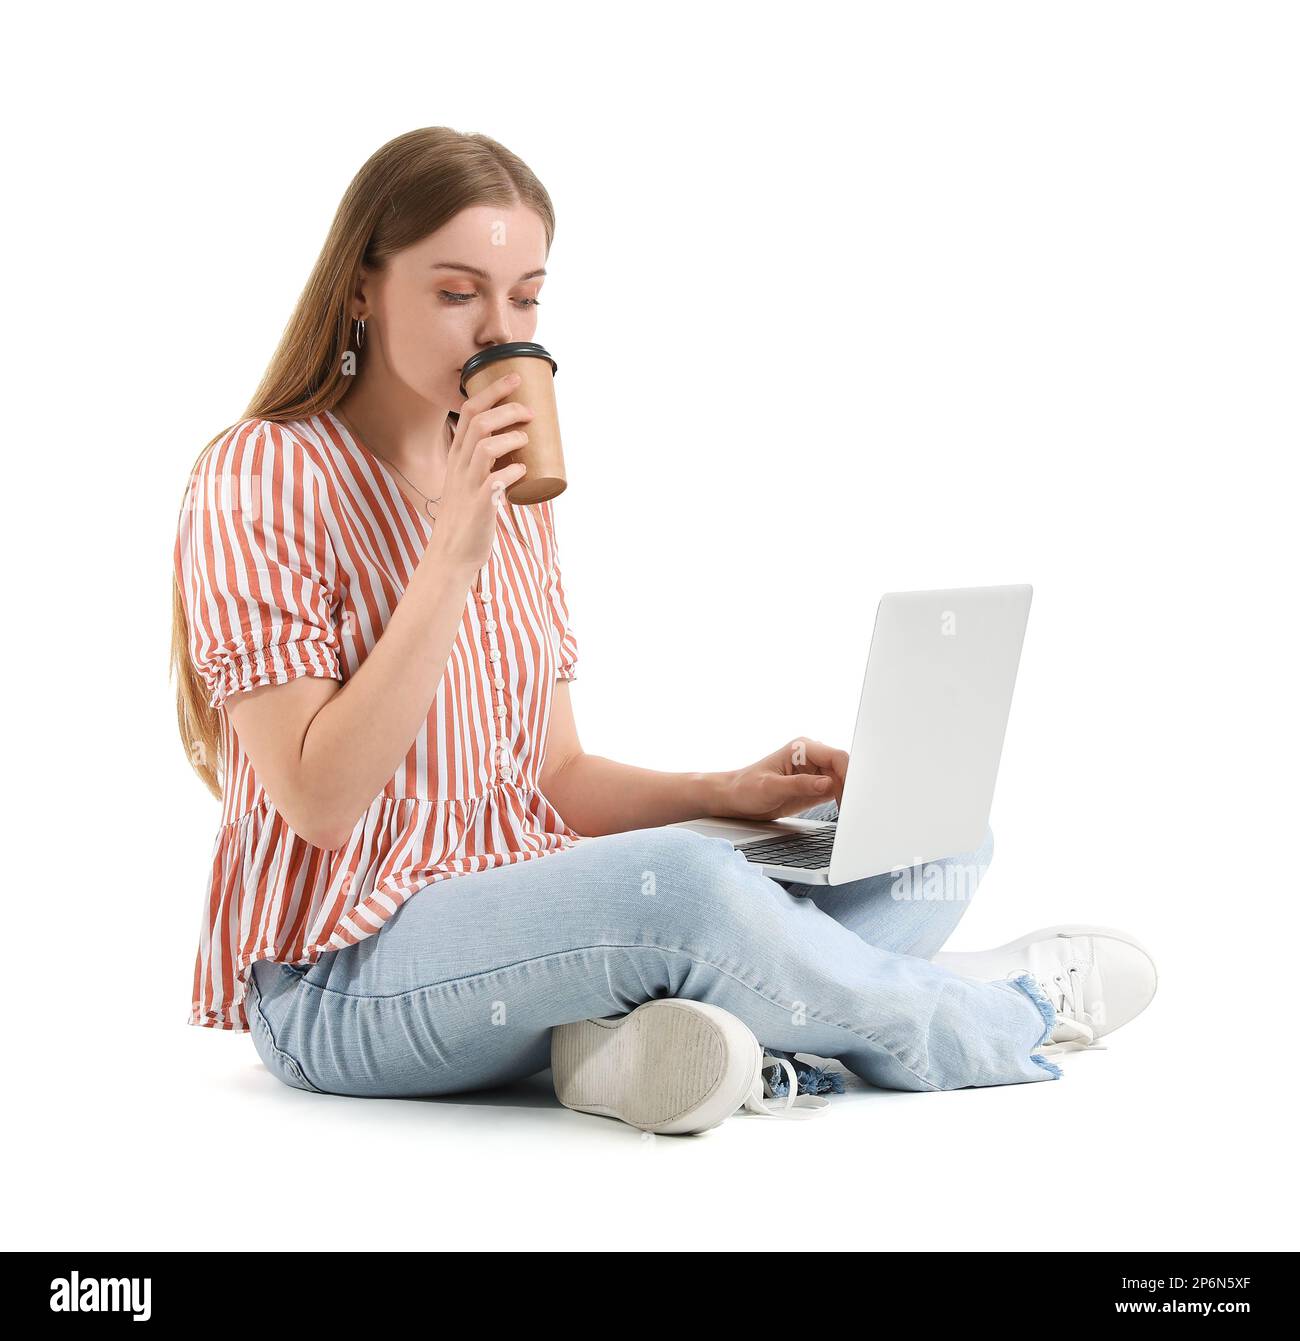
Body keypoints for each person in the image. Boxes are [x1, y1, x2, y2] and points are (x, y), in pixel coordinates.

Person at [170, 126, 1157, 1136]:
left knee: (926, 838)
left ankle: (632, 1046)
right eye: (457, 292)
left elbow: (550, 782)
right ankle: (984, 1016)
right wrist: (451, 552)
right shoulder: (261, 474)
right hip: (346, 981)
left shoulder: (514, 491)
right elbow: (320, 803)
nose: (498, 330)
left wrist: (728, 792)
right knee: (685, 889)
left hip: (525, 922)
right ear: (361, 290)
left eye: (525, 296)